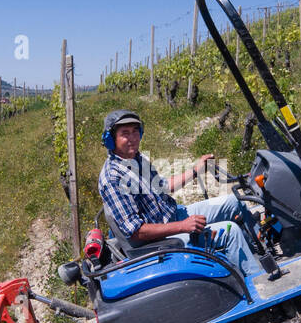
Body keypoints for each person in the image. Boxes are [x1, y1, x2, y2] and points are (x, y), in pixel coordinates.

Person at [97, 108, 263, 279]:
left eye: (135, 132)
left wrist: (196, 170)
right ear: (111, 139)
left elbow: (162, 186)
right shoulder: (113, 178)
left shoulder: (136, 159)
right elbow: (136, 232)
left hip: (175, 216)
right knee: (231, 232)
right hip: (161, 242)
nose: (132, 138)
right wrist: (183, 226)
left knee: (233, 202)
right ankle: (259, 283)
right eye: (125, 133)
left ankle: (259, 249)